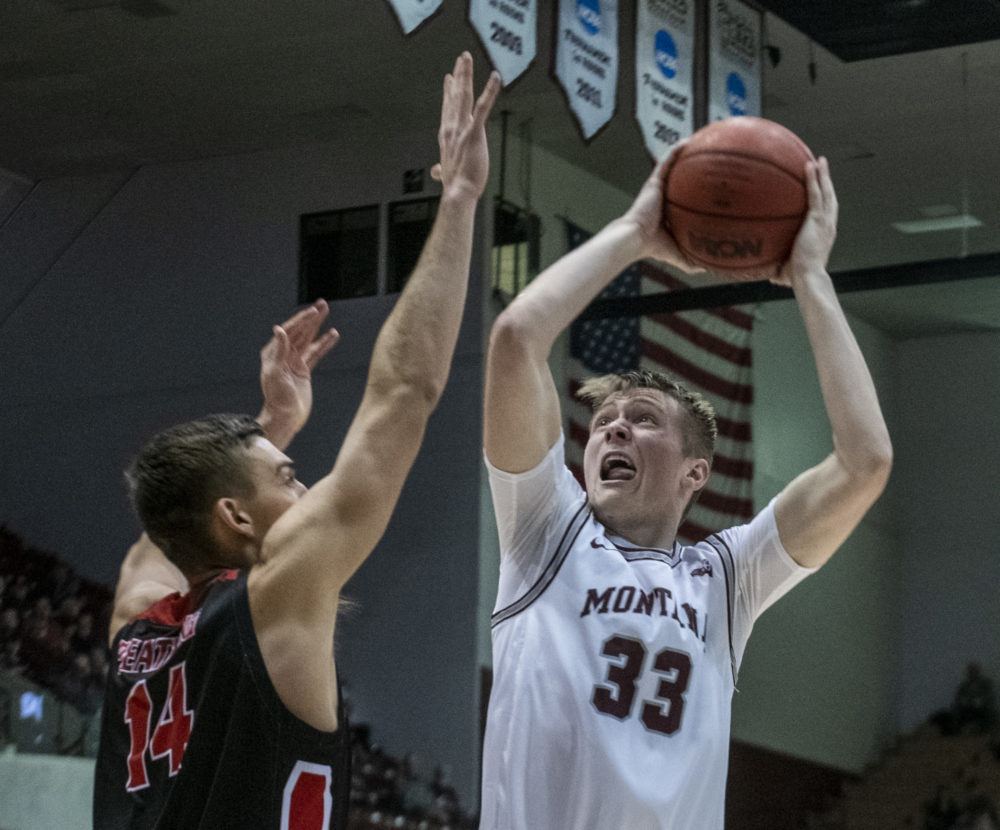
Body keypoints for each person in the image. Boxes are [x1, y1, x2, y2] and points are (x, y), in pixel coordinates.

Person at [93, 52, 500, 830]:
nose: (307, 487)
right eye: (288, 474)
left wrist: (270, 428)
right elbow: (404, 394)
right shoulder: (276, 593)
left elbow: (159, 538)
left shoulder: (135, 629)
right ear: (236, 517)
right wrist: (460, 199)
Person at [479, 152, 893, 829]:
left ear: (694, 473)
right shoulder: (545, 531)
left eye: (642, 422)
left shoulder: (723, 580)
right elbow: (517, 338)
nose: (614, 431)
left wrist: (810, 278)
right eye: (606, 423)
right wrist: (636, 235)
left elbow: (866, 462)